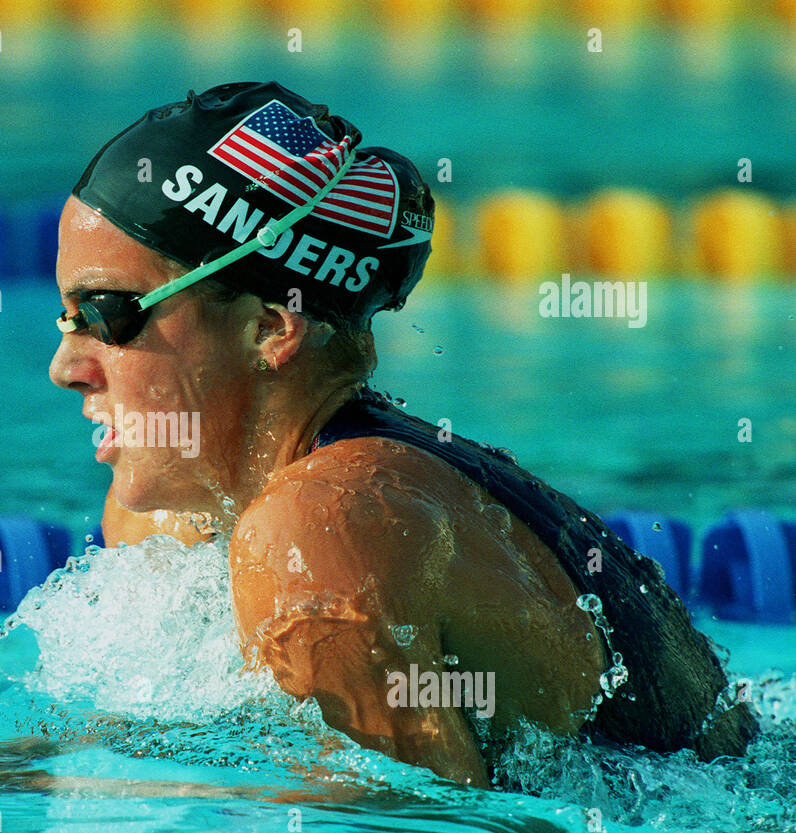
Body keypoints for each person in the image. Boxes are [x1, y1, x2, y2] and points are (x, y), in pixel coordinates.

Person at [48, 81, 756, 787]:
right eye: (66, 317)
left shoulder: (319, 531)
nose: (66, 368)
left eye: (108, 315)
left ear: (269, 329)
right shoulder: (174, 515)